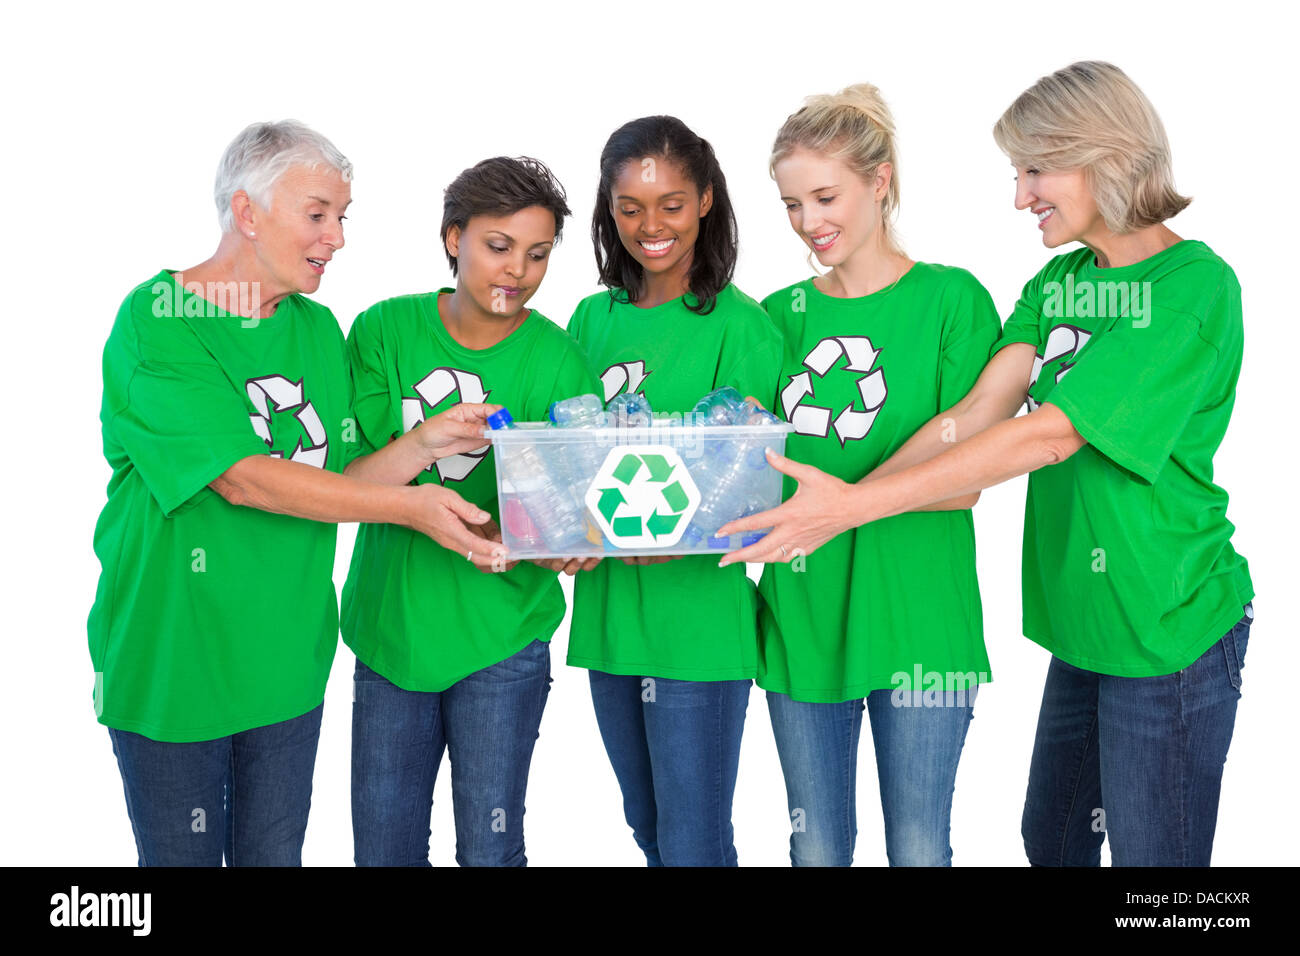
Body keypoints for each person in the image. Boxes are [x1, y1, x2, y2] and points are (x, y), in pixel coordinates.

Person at [720, 61, 1255, 867]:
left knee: (1158, 872)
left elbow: (1050, 435)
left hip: (1169, 624)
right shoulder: (1062, 283)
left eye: (1035, 169)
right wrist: (836, 503)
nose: (1020, 195)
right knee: (1054, 840)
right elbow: (971, 419)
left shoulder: (1192, 287)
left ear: (1101, 153)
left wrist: (845, 509)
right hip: (1085, 632)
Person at [89, 120, 503, 867]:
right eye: (318, 214)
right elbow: (243, 477)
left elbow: (331, 486)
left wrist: (421, 447)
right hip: (178, 664)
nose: (337, 237)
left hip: (287, 667)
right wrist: (412, 508)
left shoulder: (317, 329)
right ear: (248, 212)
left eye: (342, 217)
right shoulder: (158, 320)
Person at [753, 84, 999, 866]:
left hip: (921, 615)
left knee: (920, 848)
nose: (808, 222)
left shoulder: (953, 302)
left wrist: (840, 506)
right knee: (816, 849)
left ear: (880, 180)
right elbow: (751, 470)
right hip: (802, 611)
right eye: (791, 204)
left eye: (825, 196)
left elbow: (964, 477)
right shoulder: (775, 314)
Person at [343, 156, 601, 867]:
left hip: (502, 640)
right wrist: (424, 441)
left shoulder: (559, 362)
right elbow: (347, 484)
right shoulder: (384, 331)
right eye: (498, 245)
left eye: (538, 253)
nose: (517, 270)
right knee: (384, 853)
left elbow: (572, 519)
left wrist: (570, 544)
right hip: (391, 633)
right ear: (453, 237)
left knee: (489, 851)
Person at [565, 115, 783, 866]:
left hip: (698, 624)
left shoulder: (743, 326)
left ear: (707, 202)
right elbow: (570, 461)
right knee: (647, 824)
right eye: (630, 207)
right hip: (608, 616)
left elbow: (751, 483)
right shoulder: (590, 320)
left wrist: (673, 534)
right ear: (609, 209)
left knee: (692, 839)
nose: (650, 226)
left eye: (671, 204)